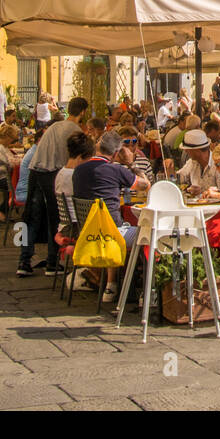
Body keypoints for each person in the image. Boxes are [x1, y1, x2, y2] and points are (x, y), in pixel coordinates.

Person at [72, 131, 149, 298]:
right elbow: (145, 185)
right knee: (150, 233)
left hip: (87, 231)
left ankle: (111, 285)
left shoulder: (78, 170)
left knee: (111, 224)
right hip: (112, 233)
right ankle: (148, 290)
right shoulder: (115, 170)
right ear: (115, 154)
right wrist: (130, 164)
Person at [22, 96, 91, 277]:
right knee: (56, 217)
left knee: (30, 216)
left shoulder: (54, 125)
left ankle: (23, 261)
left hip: (35, 171)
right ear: (83, 112)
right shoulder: (75, 130)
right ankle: (52, 263)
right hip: (52, 172)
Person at [175, 129, 220, 195]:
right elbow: (179, 179)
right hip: (195, 204)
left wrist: (203, 192)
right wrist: (169, 168)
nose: (185, 151)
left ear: (197, 150)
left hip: (215, 205)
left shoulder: (219, 164)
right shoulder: (192, 162)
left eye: (188, 149)